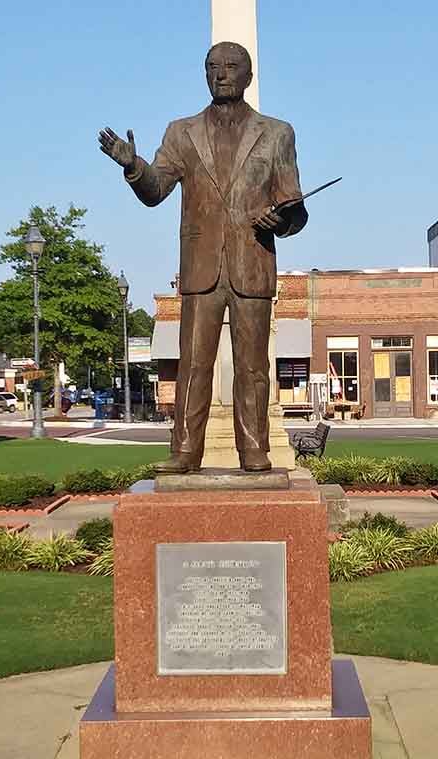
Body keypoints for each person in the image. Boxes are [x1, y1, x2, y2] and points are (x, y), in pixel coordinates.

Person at [99, 41, 308, 473]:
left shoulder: (278, 133)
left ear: (249, 76)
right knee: (194, 365)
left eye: (232, 67)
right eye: (213, 67)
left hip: (252, 263)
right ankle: (185, 452)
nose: (222, 74)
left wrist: (283, 220)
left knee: (252, 368)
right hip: (201, 267)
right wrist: (133, 167)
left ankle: (254, 450)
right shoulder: (181, 132)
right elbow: (156, 191)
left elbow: (295, 207)